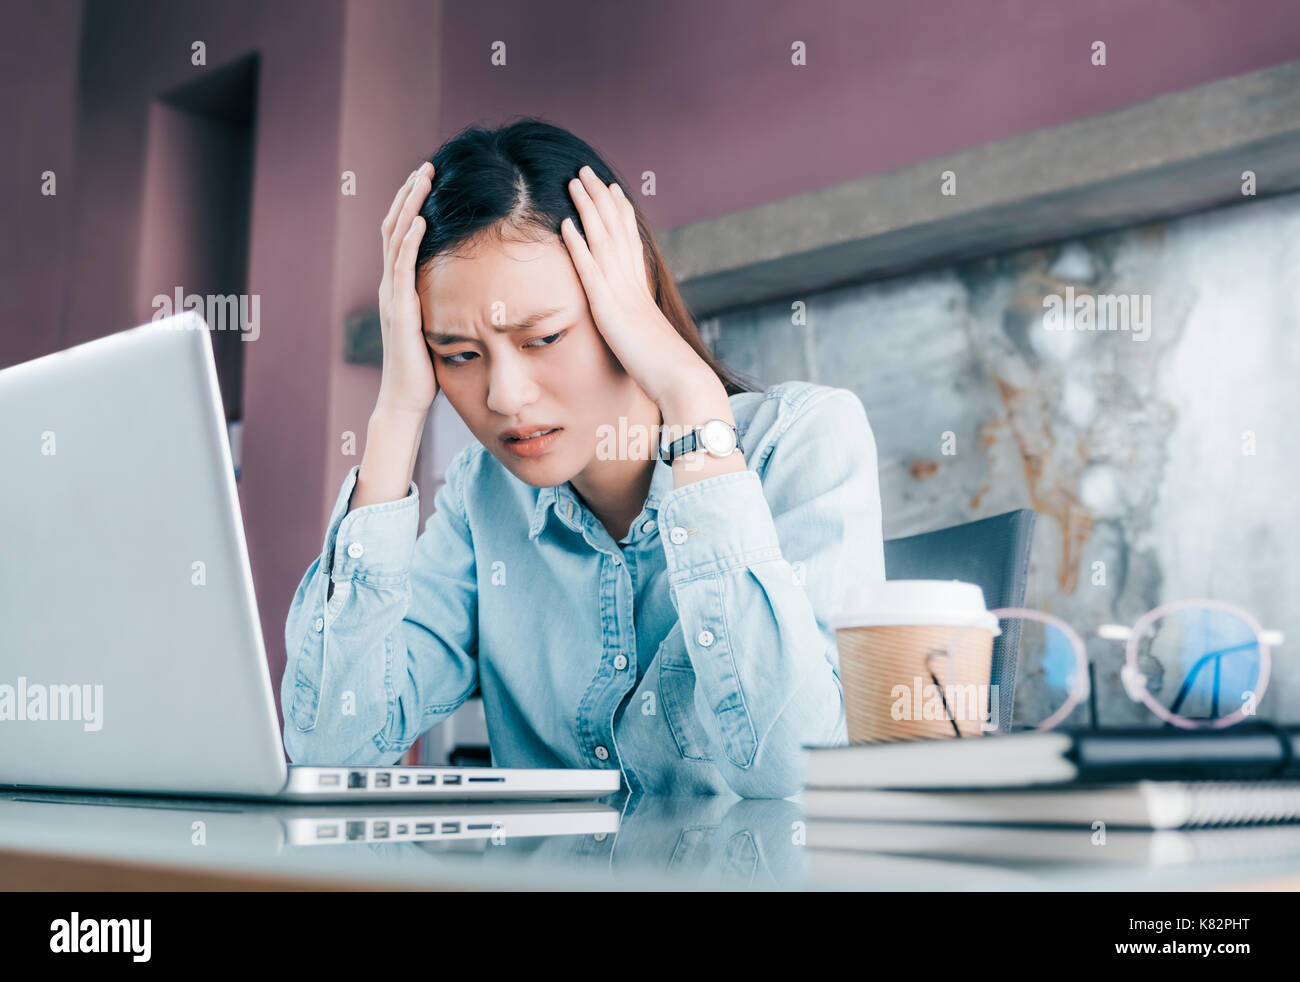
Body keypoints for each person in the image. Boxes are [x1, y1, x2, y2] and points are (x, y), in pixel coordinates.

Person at [281, 119, 885, 798]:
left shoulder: (805, 443)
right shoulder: (482, 500)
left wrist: (692, 398)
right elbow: (331, 747)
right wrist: (394, 416)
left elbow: (799, 776)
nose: (505, 396)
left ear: (627, 305)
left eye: (542, 337)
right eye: (457, 354)